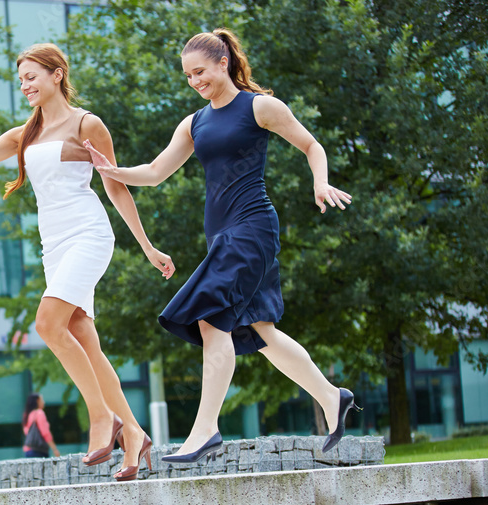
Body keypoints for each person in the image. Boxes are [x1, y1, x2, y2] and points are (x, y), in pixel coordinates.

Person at [84, 29, 359, 463]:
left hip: (252, 229)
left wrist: (320, 181)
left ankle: (205, 430)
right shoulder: (195, 122)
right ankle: (331, 397)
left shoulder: (260, 106)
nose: (194, 80)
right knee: (261, 331)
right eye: (187, 75)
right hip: (223, 236)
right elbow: (156, 172)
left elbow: (311, 145)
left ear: (223, 62)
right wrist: (111, 170)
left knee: (213, 320)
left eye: (200, 71)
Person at [0, 43, 175, 481]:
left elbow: (116, 187)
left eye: (31, 77)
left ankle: (102, 418)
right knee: (83, 335)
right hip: (55, 243)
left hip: (88, 232)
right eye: (21, 79)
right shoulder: (24, 134)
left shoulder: (88, 124)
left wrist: (146, 246)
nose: (25, 85)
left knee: (49, 323)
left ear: (57, 75)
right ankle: (136, 437)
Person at [21, 393, 62, 458]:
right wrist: (54, 449)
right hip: (39, 451)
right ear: (37, 401)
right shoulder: (39, 413)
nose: (44, 402)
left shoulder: (27, 415)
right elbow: (45, 433)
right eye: (42, 400)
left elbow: (26, 432)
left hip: (28, 451)